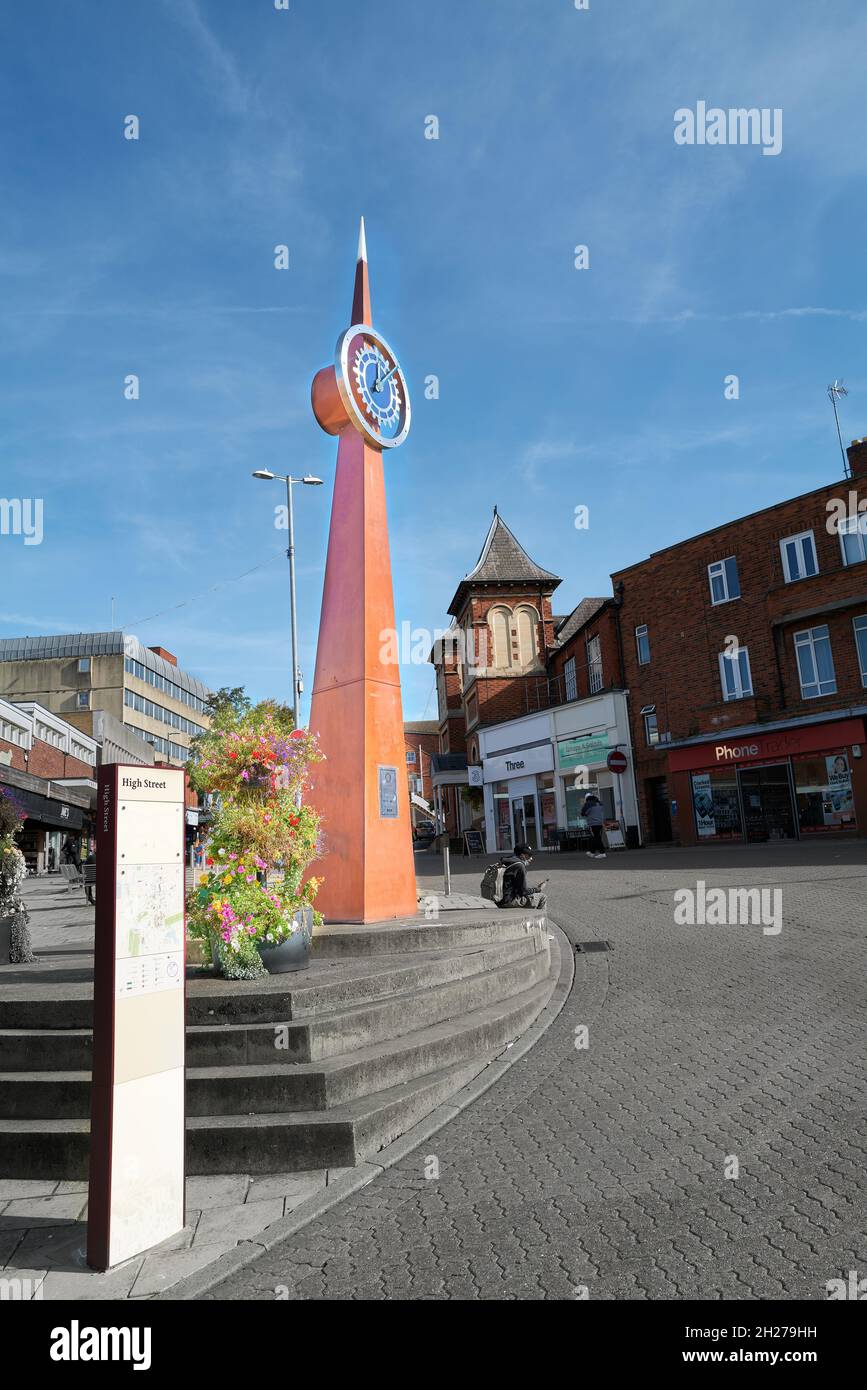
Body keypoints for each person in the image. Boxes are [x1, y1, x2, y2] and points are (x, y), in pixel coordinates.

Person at [499, 843, 548, 909]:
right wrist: (538, 889)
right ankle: (540, 918)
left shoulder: (509, 861)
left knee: (532, 897)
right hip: (509, 901)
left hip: (500, 899)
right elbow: (523, 891)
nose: (531, 858)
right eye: (529, 855)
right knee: (542, 897)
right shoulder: (519, 866)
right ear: (522, 856)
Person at [581, 793, 606, 859]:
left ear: (587, 798)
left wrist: (588, 813)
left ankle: (602, 853)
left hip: (593, 824)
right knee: (595, 837)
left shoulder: (588, 804)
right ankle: (591, 852)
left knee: (596, 838)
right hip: (600, 823)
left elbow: (583, 813)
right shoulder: (599, 803)